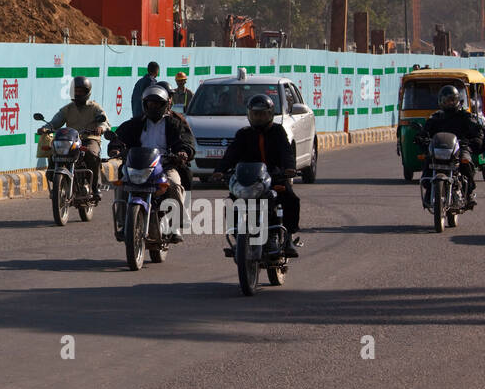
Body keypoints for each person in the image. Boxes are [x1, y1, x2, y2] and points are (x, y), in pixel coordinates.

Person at [213, 94, 301, 257]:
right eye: (255, 114)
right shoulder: (243, 134)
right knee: (232, 201)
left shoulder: (278, 131)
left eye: (262, 114)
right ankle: (239, 238)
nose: (258, 118)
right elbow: (231, 154)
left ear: (270, 114)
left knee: (290, 198)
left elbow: (286, 151)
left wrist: (289, 168)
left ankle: (287, 238)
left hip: (273, 176)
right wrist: (220, 170)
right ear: (249, 115)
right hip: (248, 178)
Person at [113, 84, 196, 242]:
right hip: (139, 165)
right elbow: (120, 136)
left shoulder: (174, 123)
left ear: (164, 104)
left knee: (174, 183)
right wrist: (116, 148)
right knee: (122, 183)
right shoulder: (137, 123)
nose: (153, 107)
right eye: (150, 104)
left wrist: (183, 151)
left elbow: (185, 140)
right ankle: (124, 222)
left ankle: (174, 225)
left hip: (165, 165)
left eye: (157, 104)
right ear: (145, 104)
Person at [38, 76, 108, 203]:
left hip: (89, 139)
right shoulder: (68, 108)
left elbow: (105, 122)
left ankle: (95, 187)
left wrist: (100, 128)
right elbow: (55, 122)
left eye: (81, 91)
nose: (78, 93)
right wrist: (45, 128)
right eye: (76, 91)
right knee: (54, 151)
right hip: (71, 140)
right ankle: (54, 175)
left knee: (92, 154)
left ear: (87, 92)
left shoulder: (94, 107)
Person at [424, 84, 485, 208]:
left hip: (460, 147)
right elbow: (426, 130)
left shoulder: (465, 116)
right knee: (428, 160)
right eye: (445, 100)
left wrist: (477, 136)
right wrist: (421, 137)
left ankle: (469, 193)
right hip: (440, 148)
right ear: (440, 101)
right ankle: (429, 191)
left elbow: (475, 128)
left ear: (457, 101)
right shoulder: (436, 117)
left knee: (466, 161)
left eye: (451, 100)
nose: (448, 103)